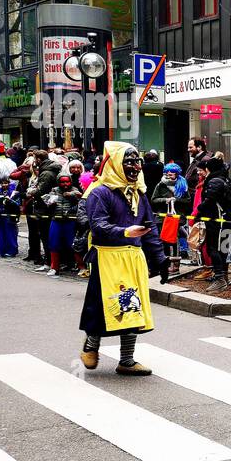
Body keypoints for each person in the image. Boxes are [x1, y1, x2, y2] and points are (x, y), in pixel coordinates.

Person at [78, 142, 169, 376]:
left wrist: (160, 259)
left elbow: (150, 228)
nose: (135, 167)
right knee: (103, 307)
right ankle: (91, 345)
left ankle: (126, 360)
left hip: (133, 258)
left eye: (137, 161)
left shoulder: (139, 193)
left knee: (132, 307)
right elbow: (97, 226)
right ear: (116, 164)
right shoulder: (100, 192)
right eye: (129, 162)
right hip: (107, 258)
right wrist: (125, 231)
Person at [197, 157, 231, 290]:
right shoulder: (225, 179)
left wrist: (199, 211)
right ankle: (223, 277)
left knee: (214, 249)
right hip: (228, 220)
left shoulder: (214, 181)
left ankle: (220, 278)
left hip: (217, 222)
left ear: (208, 168)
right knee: (223, 249)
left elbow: (210, 200)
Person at [47, 174, 82, 274]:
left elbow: (80, 200)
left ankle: (80, 266)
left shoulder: (74, 190)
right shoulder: (54, 190)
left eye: (67, 181)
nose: (65, 184)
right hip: (56, 219)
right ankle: (54, 267)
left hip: (70, 221)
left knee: (73, 244)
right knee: (53, 243)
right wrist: (50, 203)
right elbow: (48, 203)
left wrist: (72, 195)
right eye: (63, 182)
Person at [0, 178, 21, 258]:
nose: (4, 185)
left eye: (6, 183)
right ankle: (1, 251)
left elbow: (17, 204)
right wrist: (0, 198)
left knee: (11, 234)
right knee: (1, 234)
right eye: (2, 183)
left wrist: (9, 201)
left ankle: (12, 251)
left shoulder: (14, 192)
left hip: (10, 216)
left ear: (9, 183)